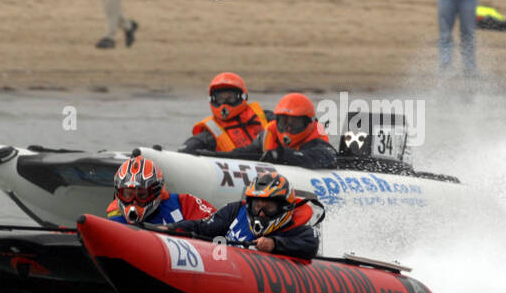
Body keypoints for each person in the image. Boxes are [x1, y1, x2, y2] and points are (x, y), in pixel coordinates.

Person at [158, 171, 323, 259]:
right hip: (228, 265)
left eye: (269, 207)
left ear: (285, 207)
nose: (261, 213)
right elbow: (201, 227)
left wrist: (274, 244)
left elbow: (310, 244)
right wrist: (170, 228)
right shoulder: (235, 211)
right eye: (257, 206)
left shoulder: (297, 227)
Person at [234, 93, 337, 169]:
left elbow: (329, 156)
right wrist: (218, 156)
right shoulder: (269, 135)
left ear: (308, 123)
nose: (288, 129)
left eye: (294, 124)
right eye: (283, 122)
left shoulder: (317, 141)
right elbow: (244, 153)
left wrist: (280, 155)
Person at [106, 155, 216, 226]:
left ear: (156, 192)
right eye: (128, 194)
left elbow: (219, 224)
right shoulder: (114, 223)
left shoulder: (185, 204)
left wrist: (181, 228)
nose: (134, 201)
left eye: (142, 195)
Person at [179, 72, 269, 154]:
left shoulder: (265, 117)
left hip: (273, 167)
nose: (225, 104)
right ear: (213, 99)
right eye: (220, 99)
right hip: (233, 169)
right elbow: (186, 150)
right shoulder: (211, 132)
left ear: (242, 97)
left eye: (230, 98)